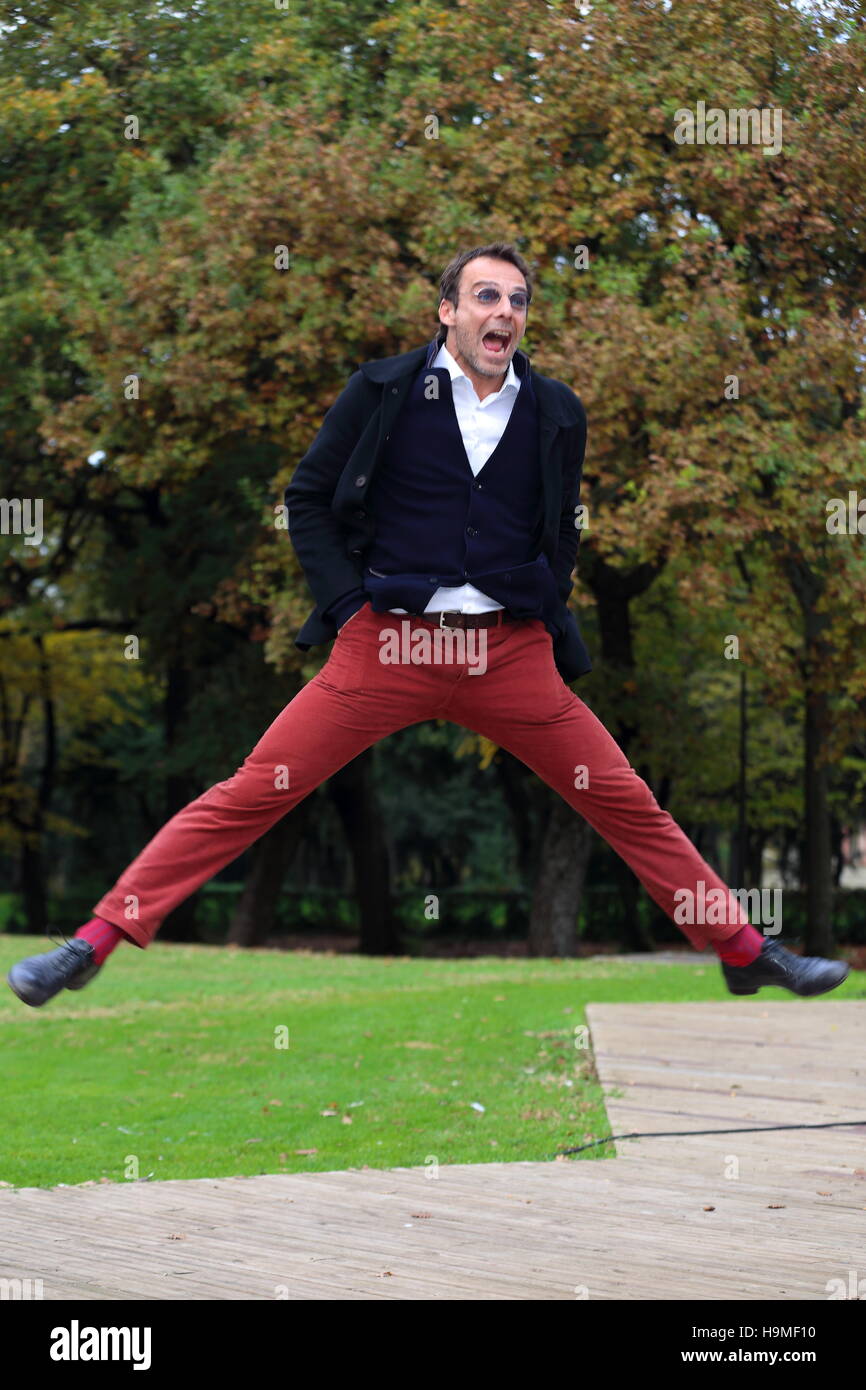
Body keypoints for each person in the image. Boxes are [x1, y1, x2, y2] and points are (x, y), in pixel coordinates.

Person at [7, 242, 848, 1007]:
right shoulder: (381, 391)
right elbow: (307, 501)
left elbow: (562, 528)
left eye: (518, 301)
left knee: (625, 799)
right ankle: (94, 940)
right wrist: (345, 609)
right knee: (253, 791)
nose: (505, 313)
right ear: (448, 310)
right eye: (487, 296)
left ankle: (743, 949)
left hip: (509, 653)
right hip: (387, 644)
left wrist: (544, 602)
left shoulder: (556, 412)